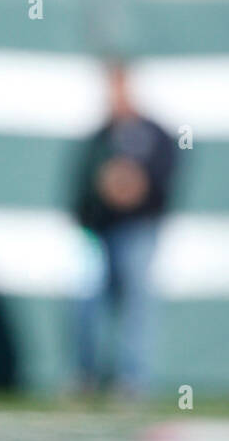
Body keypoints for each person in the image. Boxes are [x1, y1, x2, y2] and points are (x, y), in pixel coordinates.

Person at [73, 62, 176, 397]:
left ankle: (131, 379)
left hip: (139, 229)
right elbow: (84, 180)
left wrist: (135, 188)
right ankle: (86, 375)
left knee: (136, 304)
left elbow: (164, 176)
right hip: (101, 231)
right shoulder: (101, 136)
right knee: (91, 304)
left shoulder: (153, 133)